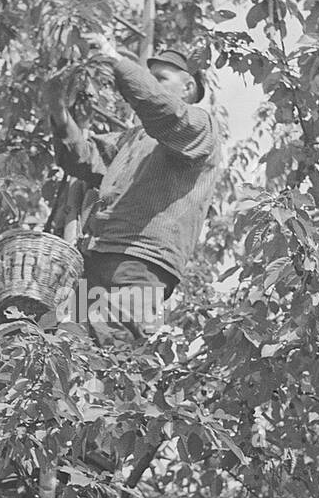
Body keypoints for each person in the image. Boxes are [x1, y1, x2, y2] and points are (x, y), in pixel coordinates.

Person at [46, 31, 224, 348]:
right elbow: (84, 158)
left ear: (188, 88)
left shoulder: (200, 125)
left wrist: (116, 61)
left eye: (160, 78)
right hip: (100, 256)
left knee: (113, 353)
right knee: (67, 351)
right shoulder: (133, 138)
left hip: (140, 264)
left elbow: (165, 112)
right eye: (148, 76)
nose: (149, 82)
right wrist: (59, 110)